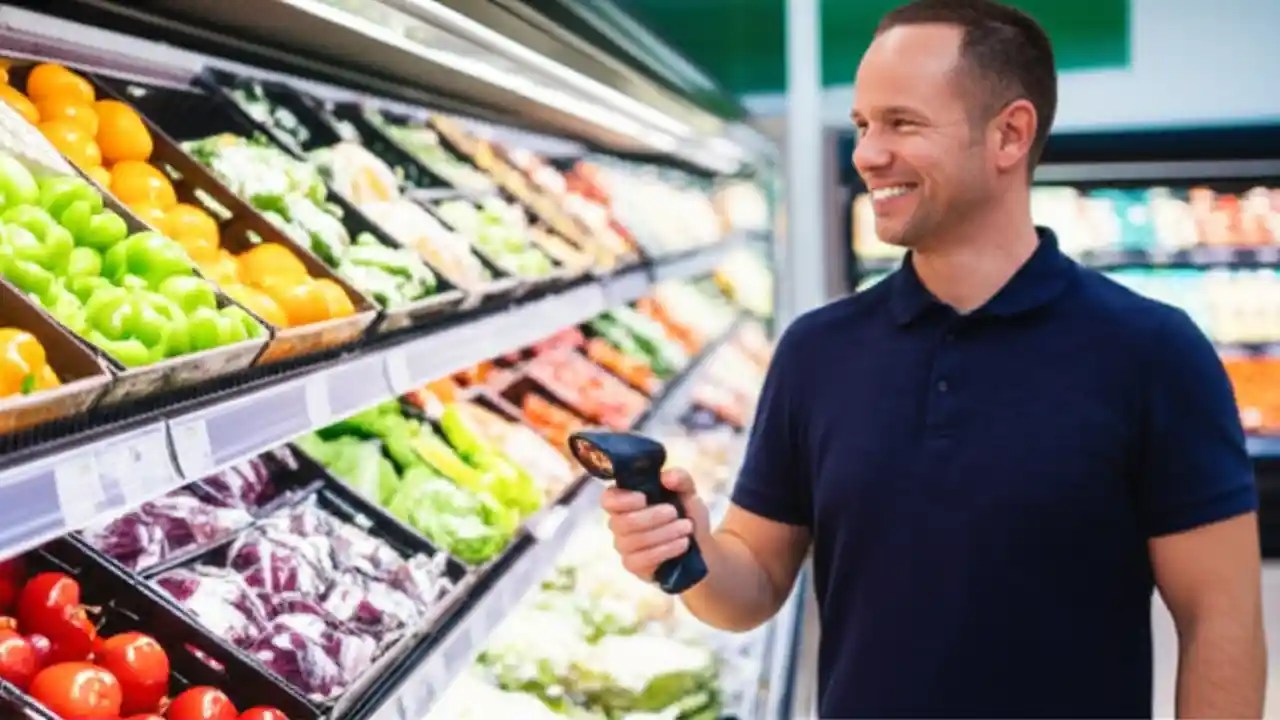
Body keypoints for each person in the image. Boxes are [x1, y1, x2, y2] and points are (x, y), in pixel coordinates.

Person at [600, 0, 1269, 717]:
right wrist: (688, 550)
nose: (865, 154)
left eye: (902, 123)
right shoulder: (817, 352)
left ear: (1009, 134)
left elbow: (1219, 622)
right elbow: (753, 585)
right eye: (862, 125)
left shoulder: (1153, 352)